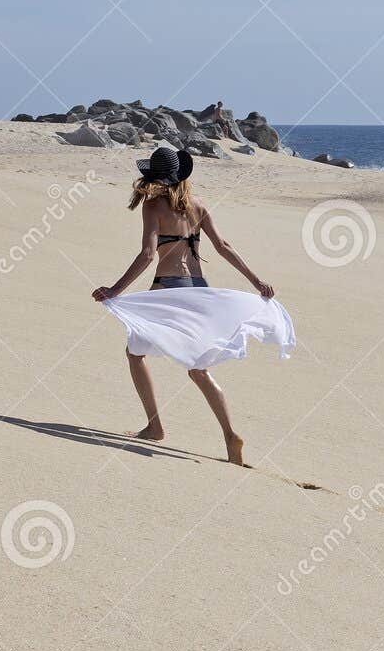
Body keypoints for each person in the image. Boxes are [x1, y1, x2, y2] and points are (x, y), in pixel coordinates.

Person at [91, 145, 293, 466]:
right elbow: (224, 247)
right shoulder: (198, 206)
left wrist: (115, 289)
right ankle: (229, 433)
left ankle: (155, 426)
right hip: (198, 291)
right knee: (198, 369)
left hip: (168, 293)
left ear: (154, 177)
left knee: (134, 353)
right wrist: (257, 283)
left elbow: (147, 255)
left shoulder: (153, 206)